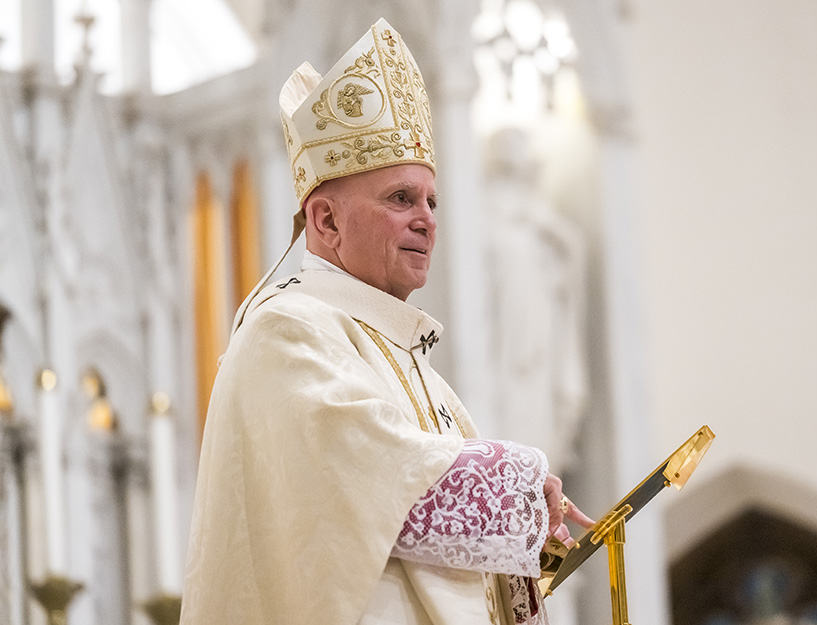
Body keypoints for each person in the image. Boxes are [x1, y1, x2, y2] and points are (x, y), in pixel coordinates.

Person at [179, 18, 591, 625]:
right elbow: (378, 484)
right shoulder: (288, 331)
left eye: (431, 202)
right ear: (325, 222)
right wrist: (523, 485)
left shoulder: (408, 358)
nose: (426, 218)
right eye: (400, 199)